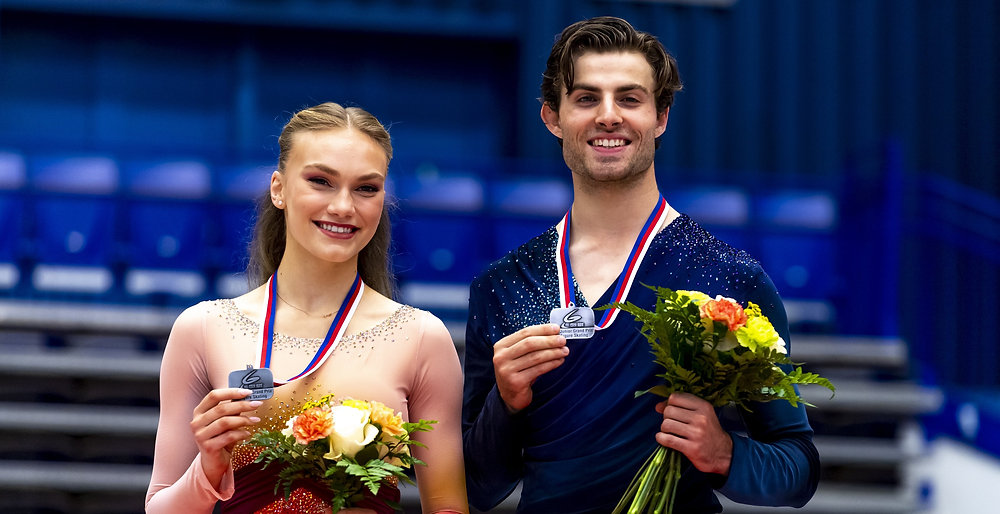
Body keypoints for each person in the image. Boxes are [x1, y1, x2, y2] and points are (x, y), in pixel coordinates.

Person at [462, 16, 819, 513]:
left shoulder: (731, 279)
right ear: (552, 118)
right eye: (586, 99)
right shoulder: (502, 286)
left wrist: (726, 454)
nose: (609, 116)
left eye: (629, 99)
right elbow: (478, 488)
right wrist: (505, 404)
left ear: (661, 116)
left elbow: (798, 468)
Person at [145, 102, 469, 514]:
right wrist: (207, 469)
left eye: (366, 188)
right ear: (278, 188)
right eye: (321, 181)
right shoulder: (203, 327)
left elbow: (448, 508)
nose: (343, 207)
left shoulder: (422, 337)